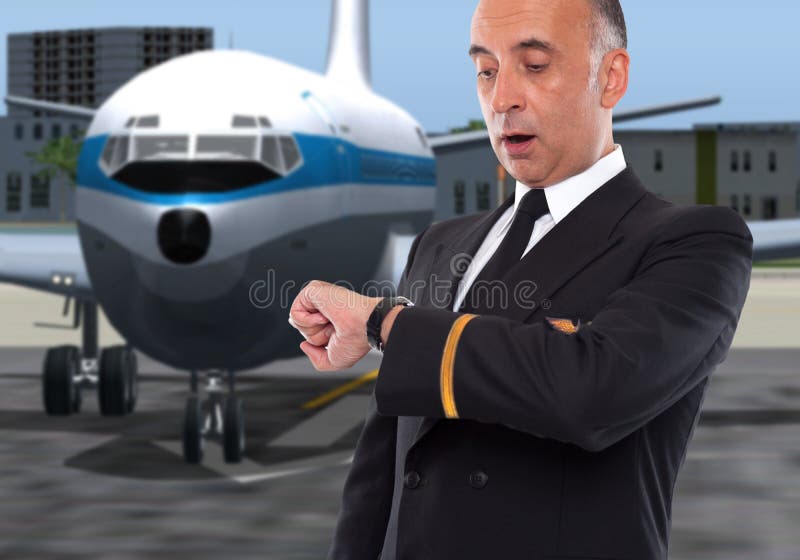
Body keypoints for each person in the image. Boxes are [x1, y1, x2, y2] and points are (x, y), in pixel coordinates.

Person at [288, 0, 753, 558]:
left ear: (612, 77)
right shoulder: (439, 245)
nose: (502, 98)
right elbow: (380, 470)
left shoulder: (695, 241)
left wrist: (385, 323)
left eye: (534, 65)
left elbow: (593, 391)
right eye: (486, 70)